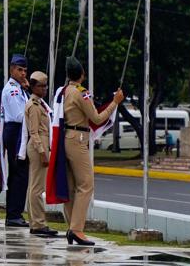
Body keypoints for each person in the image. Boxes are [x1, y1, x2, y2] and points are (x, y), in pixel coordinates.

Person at [60, 56, 124, 246]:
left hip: (66, 137)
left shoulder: (64, 91)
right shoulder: (82, 93)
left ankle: (72, 226)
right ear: (82, 74)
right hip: (78, 139)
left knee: (71, 187)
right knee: (86, 184)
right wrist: (115, 102)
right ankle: (77, 229)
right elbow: (96, 118)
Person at [23, 70, 57, 237]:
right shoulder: (34, 106)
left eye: (45, 86)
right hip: (38, 145)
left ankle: (35, 222)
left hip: (40, 144)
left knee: (34, 187)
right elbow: (34, 132)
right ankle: (38, 223)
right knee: (37, 188)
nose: (44, 89)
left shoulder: (39, 103)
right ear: (33, 87)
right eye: (41, 86)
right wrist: (43, 152)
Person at [1, 54, 31, 227]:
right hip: (15, 131)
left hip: (18, 131)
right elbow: (20, 115)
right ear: (12, 69)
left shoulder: (19, 88)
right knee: (19, 175)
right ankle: (14, 214)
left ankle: (14, 213)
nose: (23, 74)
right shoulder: (12, 90)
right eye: (20, 70)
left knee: (18, 175)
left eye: (25, 71)